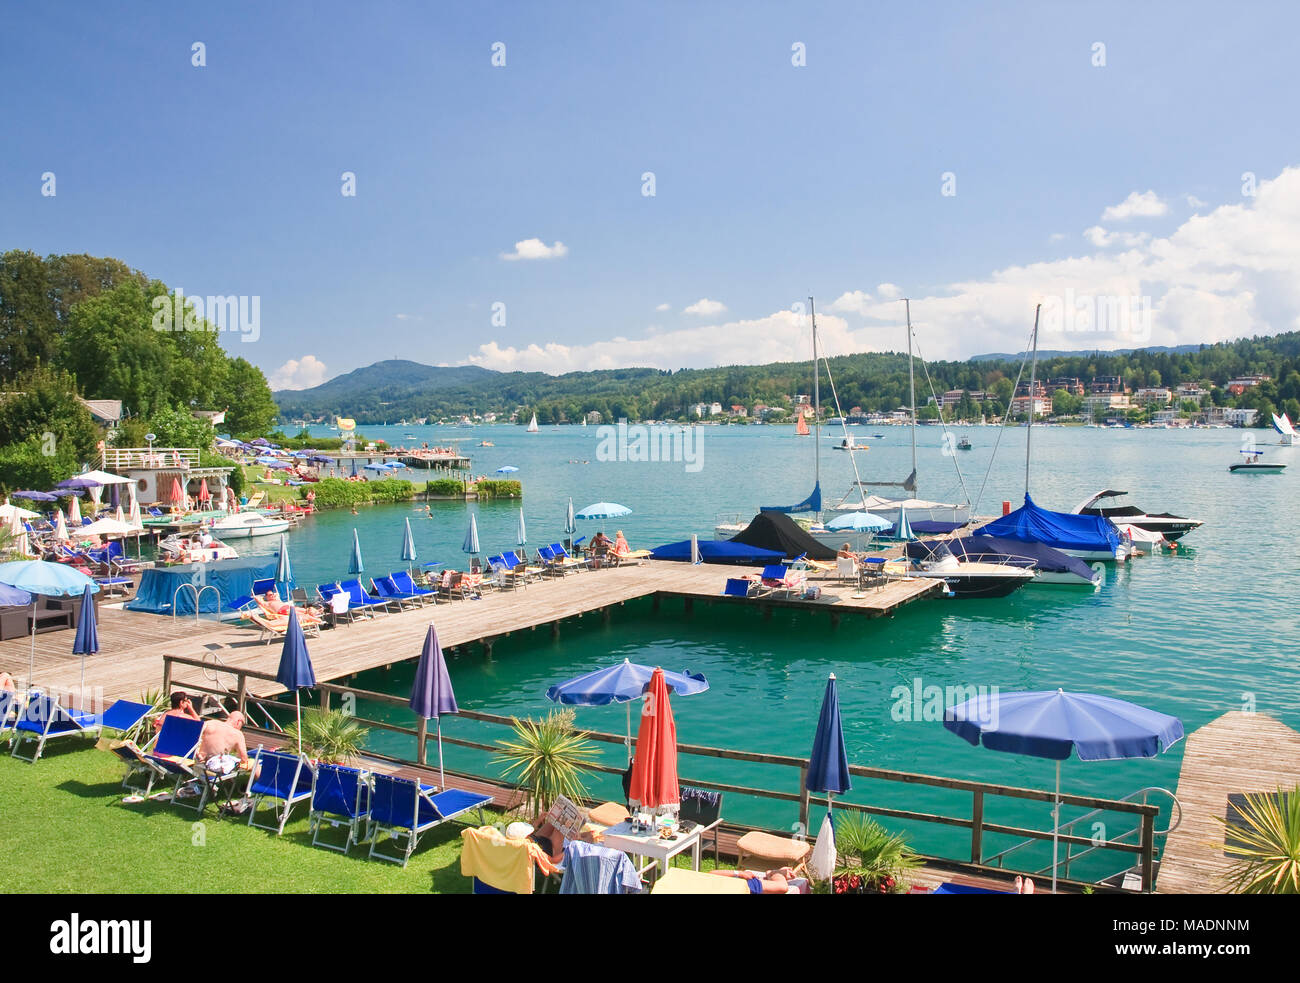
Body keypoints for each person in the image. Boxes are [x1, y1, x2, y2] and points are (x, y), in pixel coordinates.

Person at [196, 710, 250, 775]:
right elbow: (244, 758)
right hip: (216, 769)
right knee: (256, 766)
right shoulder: (238, 734)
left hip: (198, 764)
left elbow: (193, 735)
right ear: (239, 722)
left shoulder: (210, 723)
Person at [711, 866, 798, 894]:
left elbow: (711, 873)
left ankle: (775, 873)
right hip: (733, 885)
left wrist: (739, 873)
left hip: (736, 886)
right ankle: (774, 874)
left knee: (782, 887)